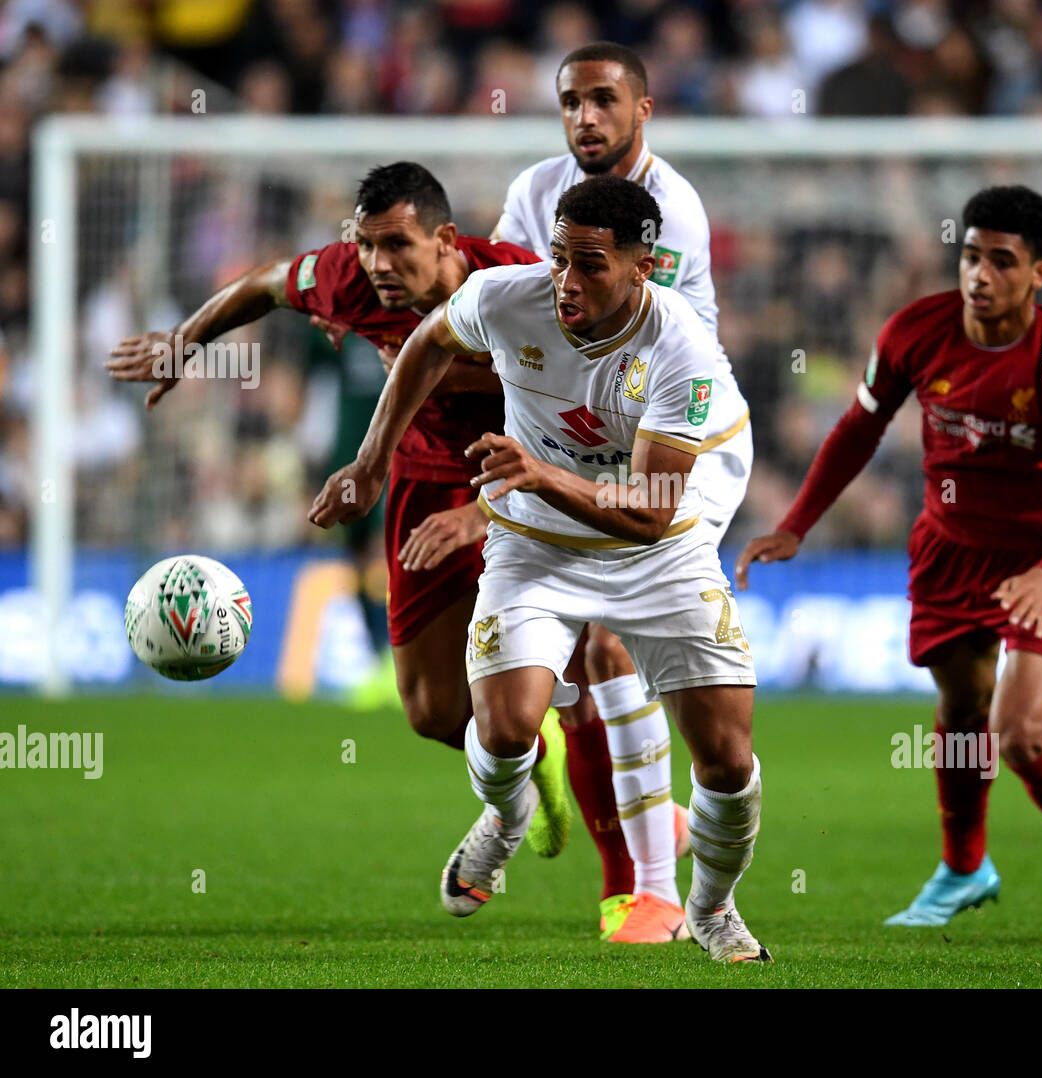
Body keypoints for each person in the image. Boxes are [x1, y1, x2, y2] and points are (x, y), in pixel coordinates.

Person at [309, 176, 771, 963]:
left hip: (661, 551)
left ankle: (714, 905)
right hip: (536, 549)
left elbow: (651, 510)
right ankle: (509, 814)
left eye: (590, 264)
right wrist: (370, 461)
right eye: (558, 258)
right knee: (501, 728)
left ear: (643, 266)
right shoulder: (504, 297)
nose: (565, 281)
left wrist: (540, 472)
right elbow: (426, 344)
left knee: (726, 762)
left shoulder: (680, 346)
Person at [104, 162, 573, 855]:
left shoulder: (513, 281)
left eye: (397, 247)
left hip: (520, 472)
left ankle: (639, 860)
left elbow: (579, 388)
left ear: (446, 239)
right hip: (419, 477)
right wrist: (185, 341)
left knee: (594, 665)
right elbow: (263, 283)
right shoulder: (346, 278)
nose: (378, 264)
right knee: (429, 709)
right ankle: (536, 760)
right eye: (365, 245)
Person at [737, 185, 1042, 933]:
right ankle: (964, 869)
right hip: (950, 550)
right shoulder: (915, 331)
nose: (979, 275)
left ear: (1039, 274)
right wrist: (796, 524)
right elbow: (858, 430)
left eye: (1001, 261)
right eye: (969, 256)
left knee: (1020, 736)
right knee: (961, 713)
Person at [491, 40, 754, 943]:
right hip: (593, 428)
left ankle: (656, 892)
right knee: (574, 655)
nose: (585, 118)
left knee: (610, 633)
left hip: (683, 435)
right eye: (571, 101)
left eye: (604, 100)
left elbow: (617, 340)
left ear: (644, 110)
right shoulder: (535, 191)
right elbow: (519, 301)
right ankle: (660, 835)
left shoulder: (669, 210)